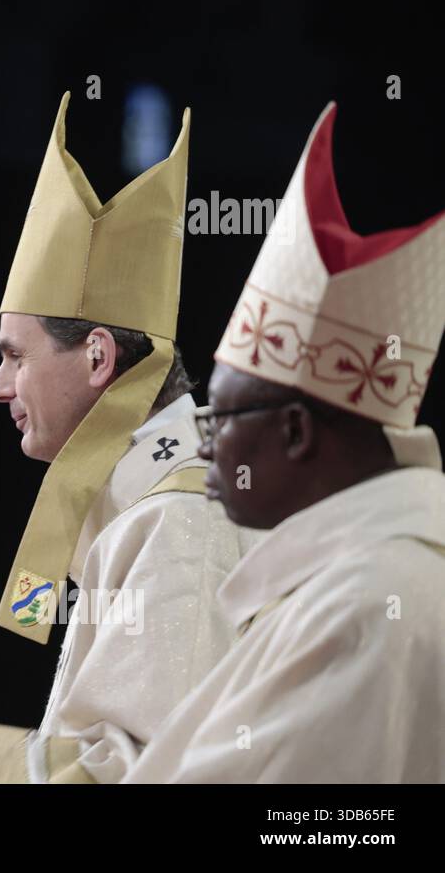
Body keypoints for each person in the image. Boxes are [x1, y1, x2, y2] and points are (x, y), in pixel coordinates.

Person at [0, 92, 255, 783]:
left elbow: (146, 774)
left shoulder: (180, 522)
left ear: (98, 357)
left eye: (16, 356)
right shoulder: (150, 501)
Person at [126, 103, 445, 782]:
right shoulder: (365, 575)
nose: (204, 447)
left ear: (295, 430)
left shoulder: (363, 603)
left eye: (220, 418)